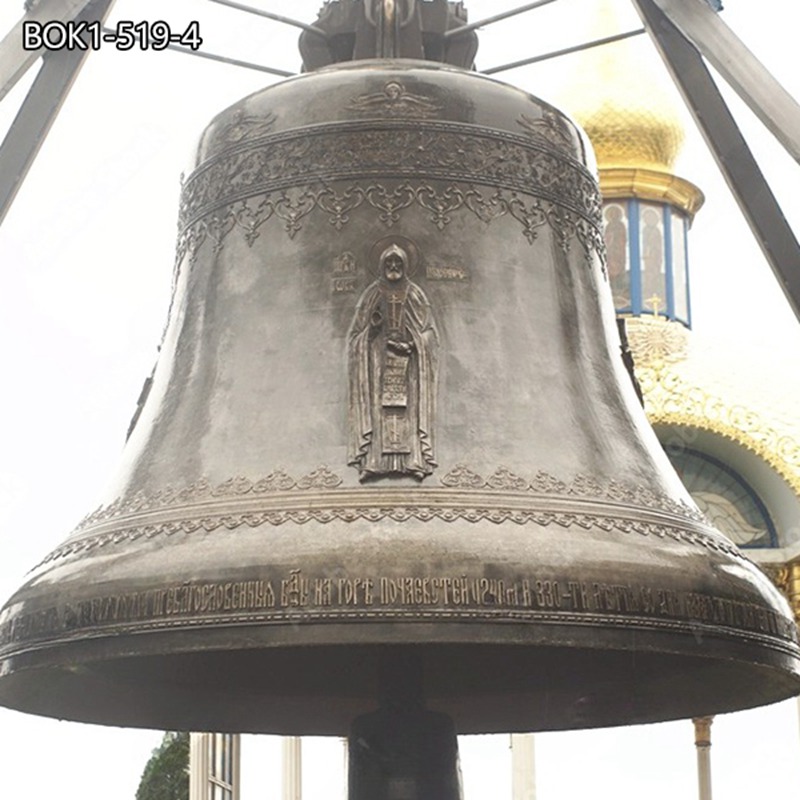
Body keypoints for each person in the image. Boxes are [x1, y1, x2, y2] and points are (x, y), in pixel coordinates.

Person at [348, 244, 438, 481]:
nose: (394, 267)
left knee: (408, 410)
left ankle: (414, 461)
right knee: (380, 410)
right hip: (378, 361)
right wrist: (372, 330)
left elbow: (428, 331)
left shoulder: (416, 294)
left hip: (409, 364)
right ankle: (375, 462)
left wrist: (414, 344)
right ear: (381, 266)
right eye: (389, 263)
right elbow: (356, 334)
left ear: (406, 266)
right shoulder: (372, 294)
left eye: (398, 263)